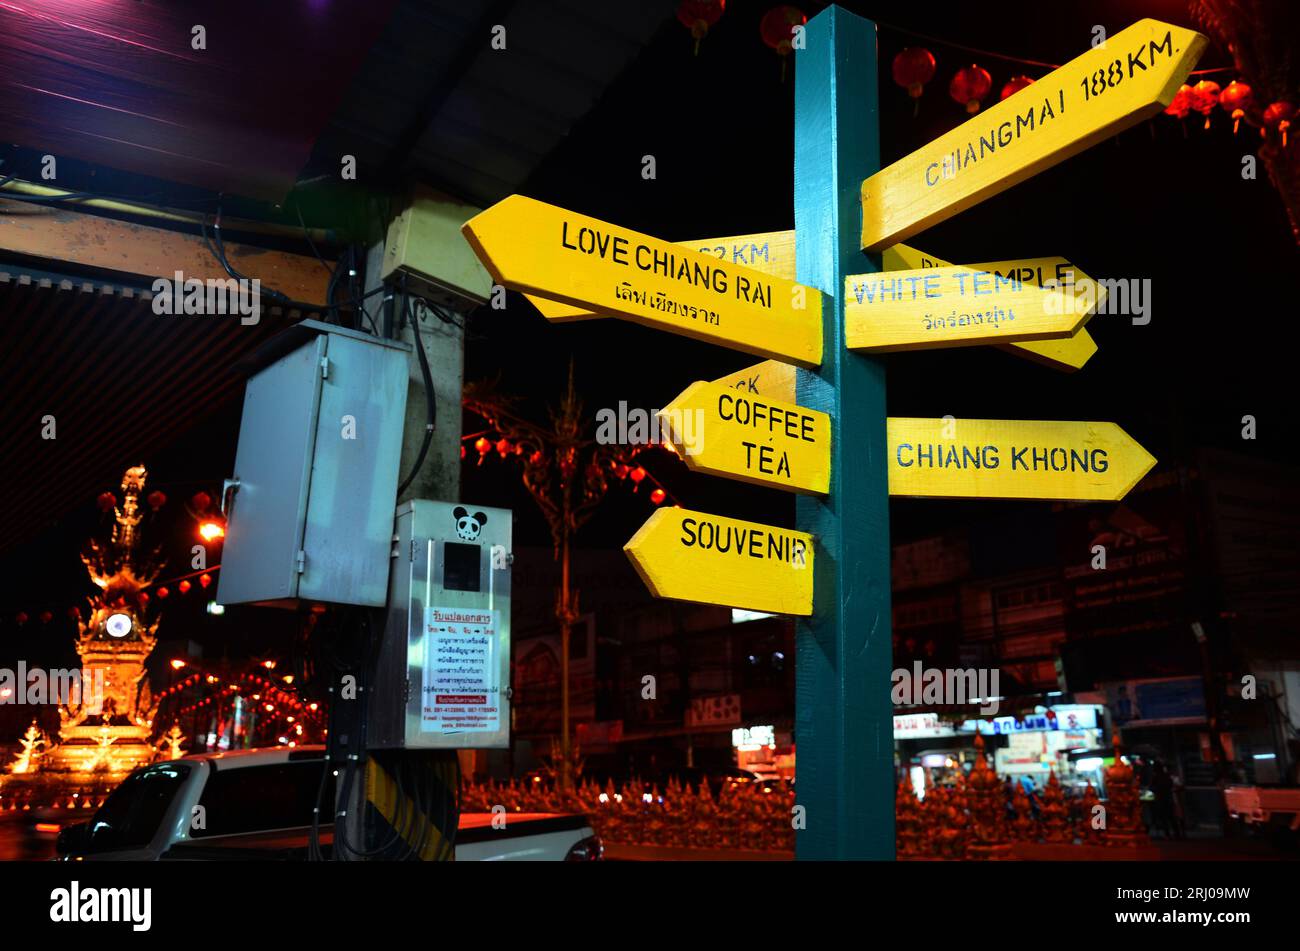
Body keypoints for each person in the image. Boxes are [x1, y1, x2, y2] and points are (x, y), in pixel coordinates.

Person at [1149, 760, 1175, 839]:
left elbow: (1151, 787)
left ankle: (1167, 833)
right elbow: (1171, 784)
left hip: (1160, 798)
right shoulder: (1166, 775)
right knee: (1171, 817)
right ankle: (1176, 833)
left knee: (1164, 817)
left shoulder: (1156, 777)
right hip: (1168, 797)